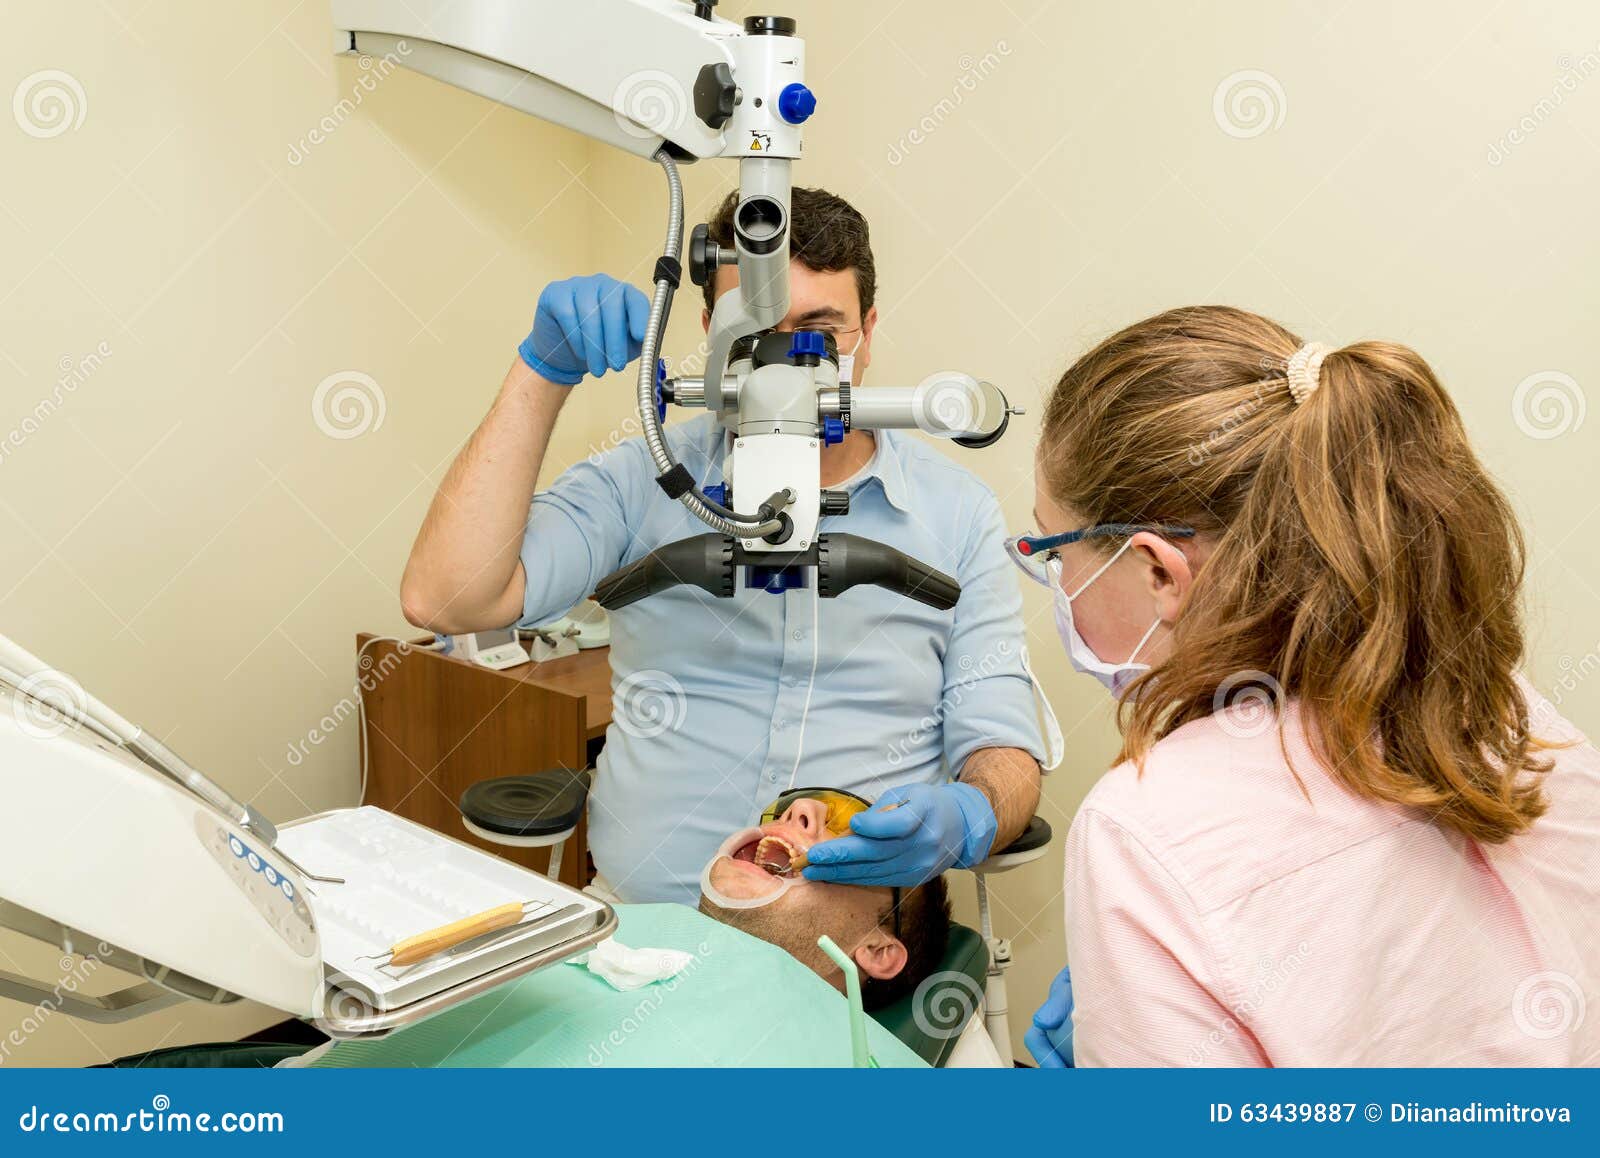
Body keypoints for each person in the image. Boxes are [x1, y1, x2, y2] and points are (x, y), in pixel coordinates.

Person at [401, 187, 1043, 906]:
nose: (785, 369)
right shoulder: (644, 477)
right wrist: (543, 371)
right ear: (710, 331)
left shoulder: (956, 514)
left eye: (820, 333)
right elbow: (445, 600)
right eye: (754, 334)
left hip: (848, 938)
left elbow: (1003, 744)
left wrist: (972, 815)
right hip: (649, 923)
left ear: (867, 330)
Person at [1020, 306, 1600, 1066]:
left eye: (1053, 552)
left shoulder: (1140, 829)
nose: (1056, 584)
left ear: (1159, 569)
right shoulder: (1503, 707)